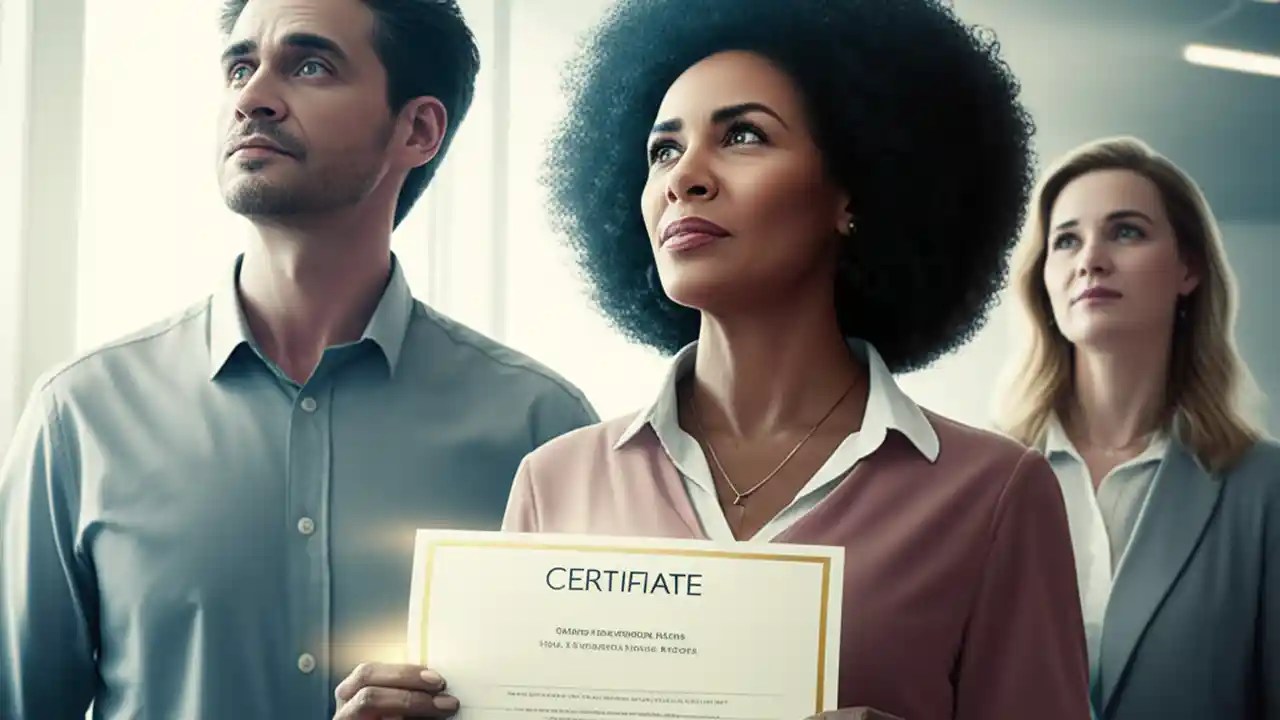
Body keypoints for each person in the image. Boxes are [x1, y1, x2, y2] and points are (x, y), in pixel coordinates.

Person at [331, 1, 1093, 718]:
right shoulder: (555, 481)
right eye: (663, 149)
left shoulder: (993, 496)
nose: (684, 178)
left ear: (853, 192)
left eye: (743, 136)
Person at [0, 0, 597, 717]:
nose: (252, 98)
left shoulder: (542, 430)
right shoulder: (81, 417)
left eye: (310, 65)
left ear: (418, 128)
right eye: (241, 66)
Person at [994, 136, 1279, 719]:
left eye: (1126, 231)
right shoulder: (978, 478)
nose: (1089, 259)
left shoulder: (1265, 488)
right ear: (1044, 279)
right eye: (1066, 239)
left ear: (1188, 269)